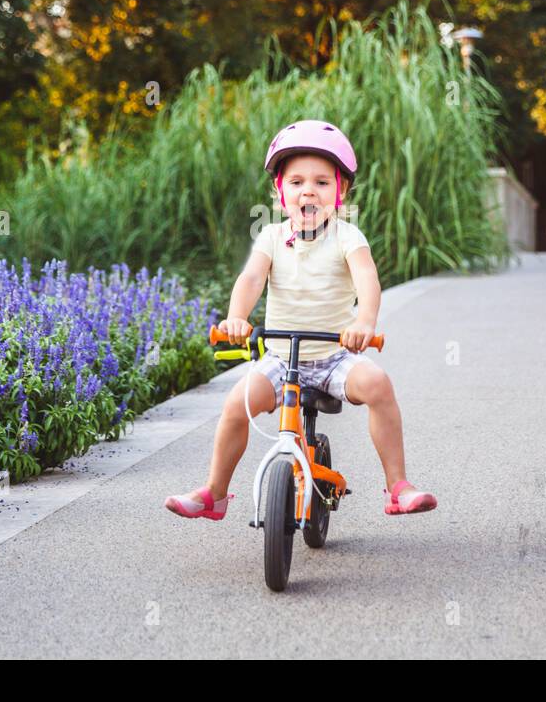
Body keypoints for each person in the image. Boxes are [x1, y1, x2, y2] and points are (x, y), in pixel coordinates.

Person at [164, 119, 438, 520]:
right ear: (281, 193)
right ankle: (214, 493)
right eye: (296, 182)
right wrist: (236, 318)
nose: (309, 190)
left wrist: (364, 321)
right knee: (236, 404)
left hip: (334, 356)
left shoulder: (347, 237)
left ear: (339, 192)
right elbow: (252, 277)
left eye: (322, 182)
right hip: (280, 358)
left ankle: (398, 485)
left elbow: (368, 279)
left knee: (378, 385)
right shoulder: (272, 237)